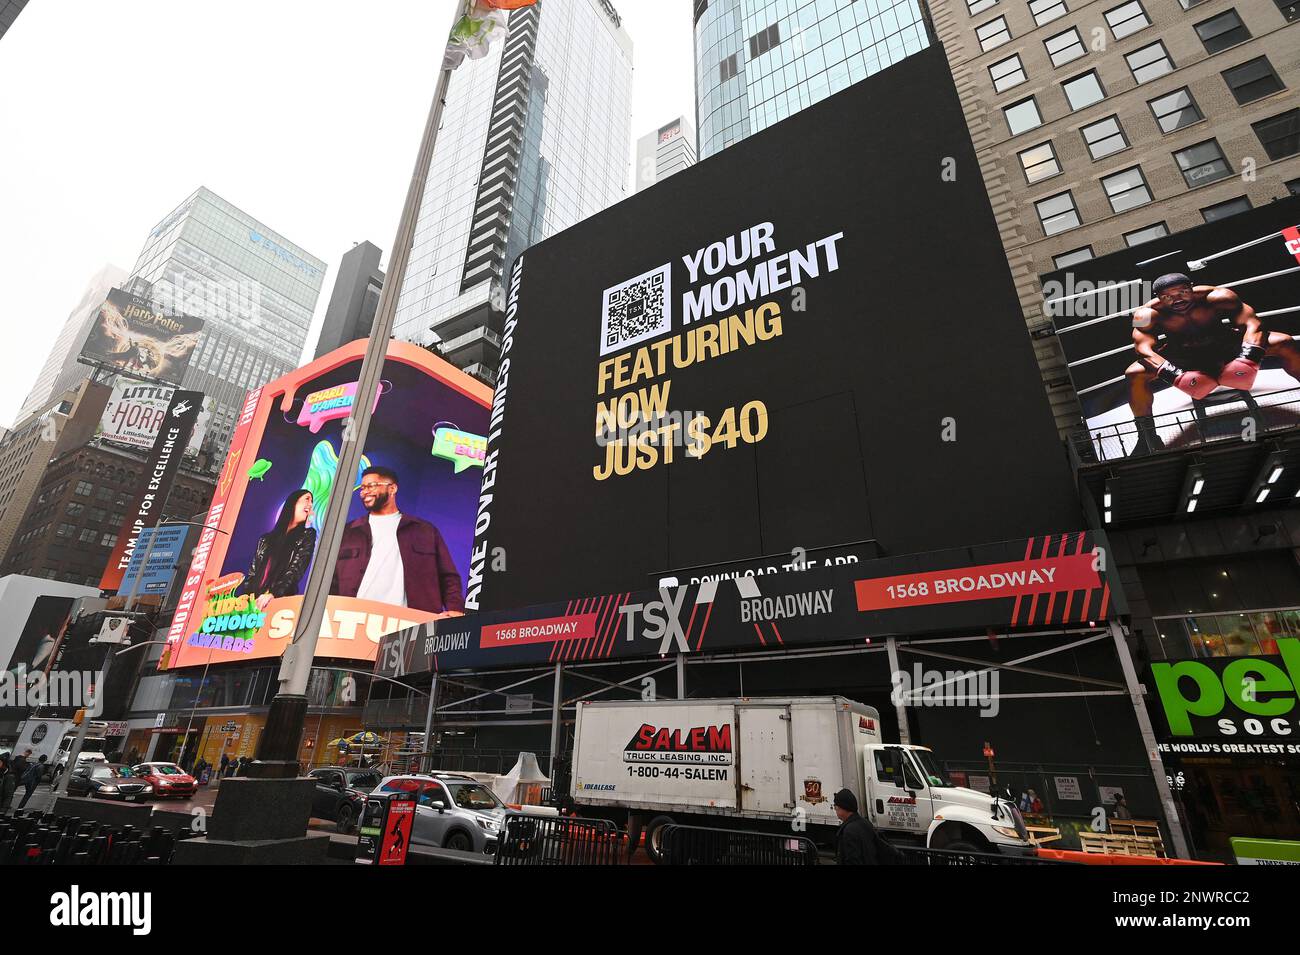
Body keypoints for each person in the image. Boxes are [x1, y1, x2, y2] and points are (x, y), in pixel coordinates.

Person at [1125, 273, 1300, 453]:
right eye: (1167, 296)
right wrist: (1175, 374)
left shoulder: (1218, 296)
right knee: (1134, 374)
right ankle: (1146, 436)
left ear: (1191, 287)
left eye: (1182, 292)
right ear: (1158, 298)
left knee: (1284, 342)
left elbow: (1252, 324)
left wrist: (1248, 357)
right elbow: (1142, 349)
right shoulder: (1145, 314)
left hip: (1226, 347)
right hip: (1183, 357)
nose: (1177, 299)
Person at [330, 466, 465, 614]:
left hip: (409, 622)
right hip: (352, 618)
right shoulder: (348, 532)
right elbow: (331, 580)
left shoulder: (424, 530)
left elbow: (448, 577)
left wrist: (455, 610)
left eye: (371, 486)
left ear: (392, 489)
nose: (364, 492)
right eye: (362, 488)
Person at [241, 489, 317, 610]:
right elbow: (252, 573)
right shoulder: (265, 540)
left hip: (278, 602)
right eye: (307, 499)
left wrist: (274, 594)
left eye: (312, 501)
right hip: (253, 603)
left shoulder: (307, 535)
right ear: (293, 503)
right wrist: (246, 599)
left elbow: (295, 570)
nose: (311, 504)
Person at [833, 788, 898, 865]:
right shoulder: (866, 823)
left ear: (843, 808)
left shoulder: (849, 831)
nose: (835, 810)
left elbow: (852, 859)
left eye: (836, 807)